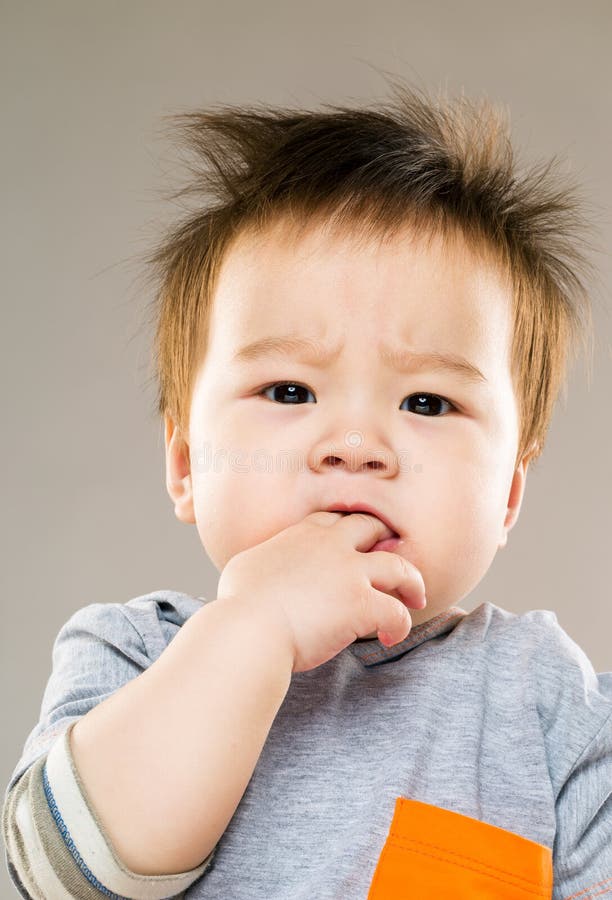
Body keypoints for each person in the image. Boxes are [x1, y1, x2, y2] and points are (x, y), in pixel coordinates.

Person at [3, 80, 611, 900]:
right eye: (290, 391)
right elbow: (57, 875)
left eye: (427, 402)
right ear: (185, 464)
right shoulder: (134, 655)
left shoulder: (549, 703)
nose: (355, 447)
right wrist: (254, 628)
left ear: (508, 491)